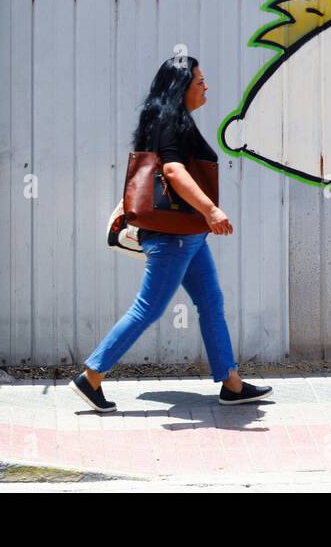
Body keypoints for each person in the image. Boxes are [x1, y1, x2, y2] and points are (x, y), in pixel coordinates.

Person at [72, 54, 272, 413]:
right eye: (199, 81)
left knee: (211, 303)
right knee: (148, 308)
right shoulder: (170, 122)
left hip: (189, 236)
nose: (206, 86)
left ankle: (231, 384)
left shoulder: (169, 119)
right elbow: (175, 173)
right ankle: (92, 376)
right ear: (181, 87)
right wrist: (210, 210)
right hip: (175, 237)